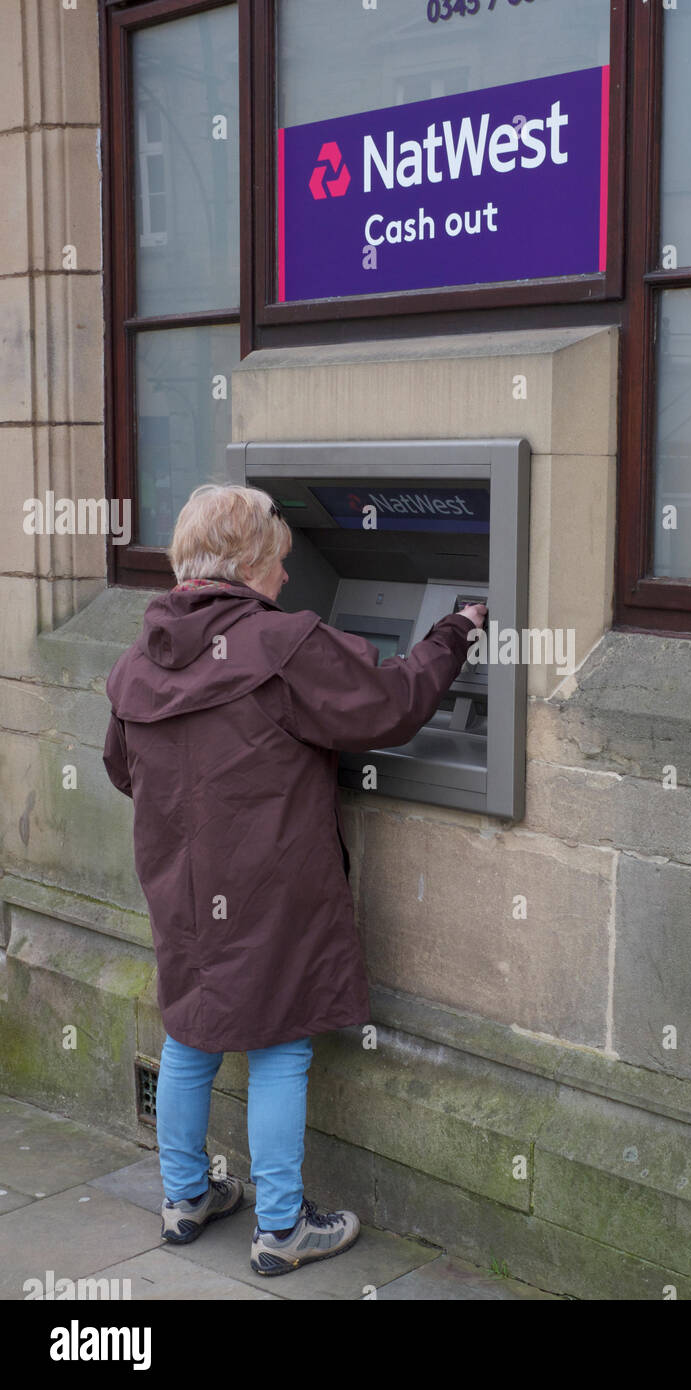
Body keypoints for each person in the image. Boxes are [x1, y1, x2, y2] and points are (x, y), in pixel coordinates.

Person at [102, 482, 486, 1277]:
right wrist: (457, 630)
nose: (285, 577)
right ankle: (281, 1227)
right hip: (273, 881)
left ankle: (184, 1198)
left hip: (180, 881)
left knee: (189, 1030)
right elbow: (391, 704)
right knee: (279, 1043)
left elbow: (122, 767)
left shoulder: (140, 658)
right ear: (245, 563)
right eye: (277, 561)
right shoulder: (282, 644)